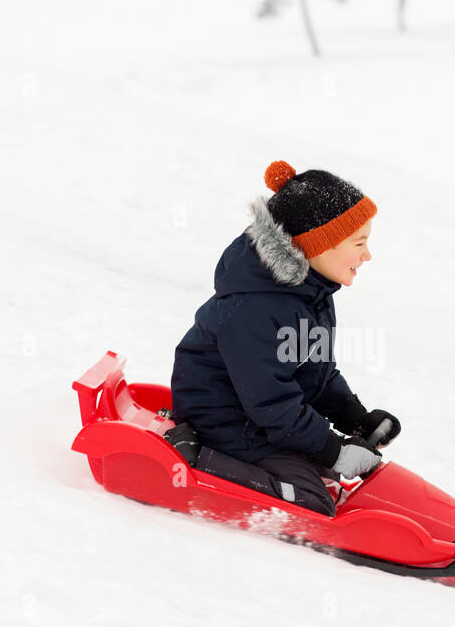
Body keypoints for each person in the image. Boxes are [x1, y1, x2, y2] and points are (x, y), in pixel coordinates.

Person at [168, 160, 401, 516]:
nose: (367, 256)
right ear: (318, 245)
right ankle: (198, 460)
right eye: (359, 243)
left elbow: (316, 376)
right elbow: (271, 402)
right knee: (312, 499)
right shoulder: (257, 309)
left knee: (331, 473)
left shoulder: (313, 294)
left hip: (261, 416)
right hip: (225, 420)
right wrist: (333, 450)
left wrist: (356, 420)